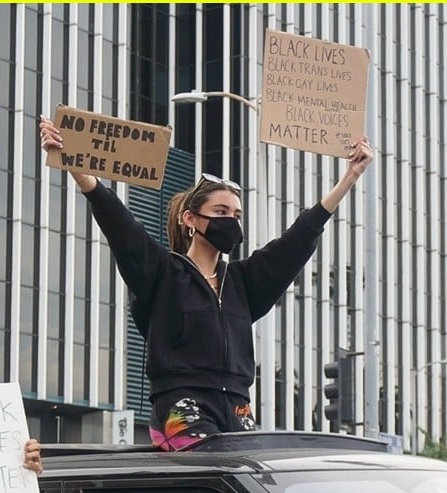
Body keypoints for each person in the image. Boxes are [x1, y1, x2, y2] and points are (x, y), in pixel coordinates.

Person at [38, 114, 374, 450]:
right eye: (221, 212)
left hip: (238, 408)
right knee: (212, 462)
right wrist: (78, 169)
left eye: (236, 215)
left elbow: (297, 240)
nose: (231, 221)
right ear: (190, 219)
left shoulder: (242, 282)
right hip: (181, 407)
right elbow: (121, 227)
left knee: (252, 476)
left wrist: (350, 177)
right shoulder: (163, 273)